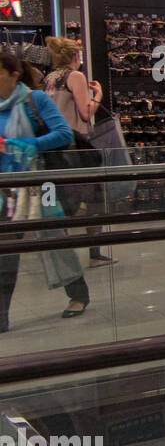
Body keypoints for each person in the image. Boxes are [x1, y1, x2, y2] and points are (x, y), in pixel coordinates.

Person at [0, 50, 91, 328]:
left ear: (14, 74)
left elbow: (63, 133)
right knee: (6, 251)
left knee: (54, 241)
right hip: (5, 188)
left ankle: (78, 293)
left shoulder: (34, 99)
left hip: (38, 183)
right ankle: (1, 316)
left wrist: (25, 145)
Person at [42, 36, 113, 268]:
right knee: (94, 198)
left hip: (54, 147)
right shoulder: (76, 76)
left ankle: (60, 254)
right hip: (78, 145)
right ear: (75, 56)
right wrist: (99, 95)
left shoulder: (50, 79)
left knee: (61, 199)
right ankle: (95, 252)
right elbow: (85, 112)